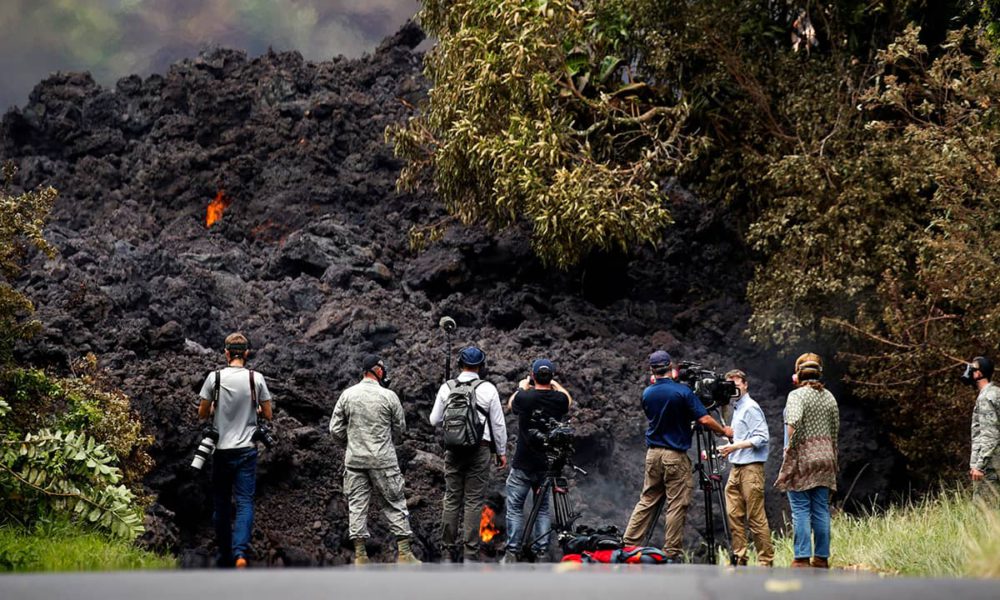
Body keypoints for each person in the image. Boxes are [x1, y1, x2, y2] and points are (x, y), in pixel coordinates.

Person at [622, 350, 733, 562]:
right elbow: (705, 420)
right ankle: (671, 552)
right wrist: (723, 431)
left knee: (647, 499)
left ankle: (629, 544)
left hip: (653, 454)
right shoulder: (682, 392)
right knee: (676, 503)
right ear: (671, 367)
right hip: (674, 455)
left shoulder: (647, 393)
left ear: (652, 370)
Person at [329, 354, 420, 565]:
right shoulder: (389, 396)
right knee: (395, 502)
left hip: (355, 460)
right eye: (382, 367)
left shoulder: (347, 395)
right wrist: (388, 442)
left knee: (357, 505)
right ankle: (405, 554)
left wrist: (351, 444)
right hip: (383, 459)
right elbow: (400, 428)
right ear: (377, 370)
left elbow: (335, 429)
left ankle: (361, 556)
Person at [196, 332, 273, 569]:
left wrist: (215, 410)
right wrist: (256, 411)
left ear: (226, 353)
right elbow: (268, 414)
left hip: (221, 451)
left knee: (220, 503)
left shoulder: (214, 378)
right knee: (244, 502)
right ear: (247, 353)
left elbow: (202, 413)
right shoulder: (255, 378)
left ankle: (224, 554)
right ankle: (240, 554)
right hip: (246, 451)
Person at [429, 346, 508, 562]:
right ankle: (470, 554)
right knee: (473, 501)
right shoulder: (488, 388)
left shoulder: (448, 387)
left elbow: (433, 420)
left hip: (453, 450)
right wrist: (501, 452)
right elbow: (498, 425)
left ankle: (446, 551)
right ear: (481, 366)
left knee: (452, 498)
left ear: (459, 365)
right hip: (480, 449)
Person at [503, 358, 573, 562]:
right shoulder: (558, 399)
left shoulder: (525, 397)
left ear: (533, 376)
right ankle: (541, 552)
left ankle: (512, 552)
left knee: (515, 507)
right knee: (542, 509)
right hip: (547, 464)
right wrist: (555, 384)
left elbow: (511, 404)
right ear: (551, 378)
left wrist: (522, 387)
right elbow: (567, 400)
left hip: (523, 462)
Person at [775, 353, 839, 569]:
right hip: (825, 456)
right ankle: (821, 558)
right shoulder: (829, 396)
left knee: (801, 509)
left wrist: (789, 448)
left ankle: (802, 558)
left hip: (803, 457)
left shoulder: (797, 396)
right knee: (821, 509)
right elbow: (834, 429)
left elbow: (792, 421)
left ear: (798, 375)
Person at [718, 369, 773, 566]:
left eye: (737, 383)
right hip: (737, 467)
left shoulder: (750, 407)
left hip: (751, 469)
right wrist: (727, 444)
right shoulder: (738, 408)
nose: (734, 387)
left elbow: (761, 438)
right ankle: (740, 558)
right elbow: (743, 437)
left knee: (756, 518)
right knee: (734, 515)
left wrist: (734, 446)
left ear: (745, 384)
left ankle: (766, 562)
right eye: (730, 384)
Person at [964, 356, 1000, 495]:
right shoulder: (996, 392)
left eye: (972, 370)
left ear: (979, 374)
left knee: (984, 511)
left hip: (991, 466)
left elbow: (990, 435)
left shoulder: (986, 398)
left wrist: (979, 466)